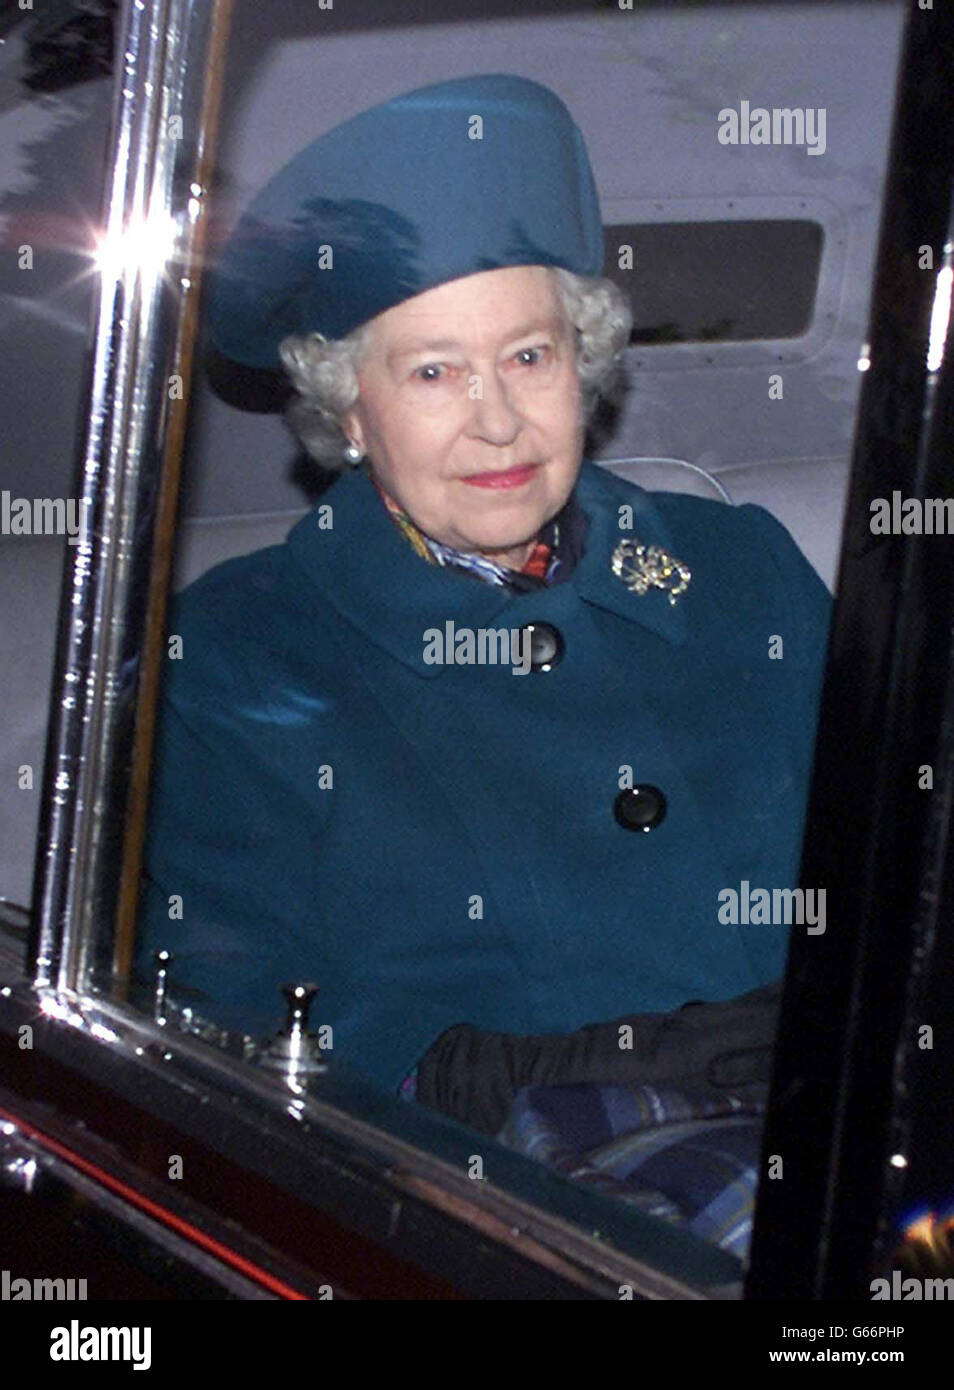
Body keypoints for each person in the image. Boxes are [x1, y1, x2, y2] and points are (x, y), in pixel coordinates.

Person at [137, 75, 831, 1147]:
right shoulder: (237, 659)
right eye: (432, 371)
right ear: (351, 411)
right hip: (520, 1191)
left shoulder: (745, 570)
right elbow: (221, 1021)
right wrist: (507, 1076)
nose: (497, 420)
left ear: (582, 363)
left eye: (527, 355)